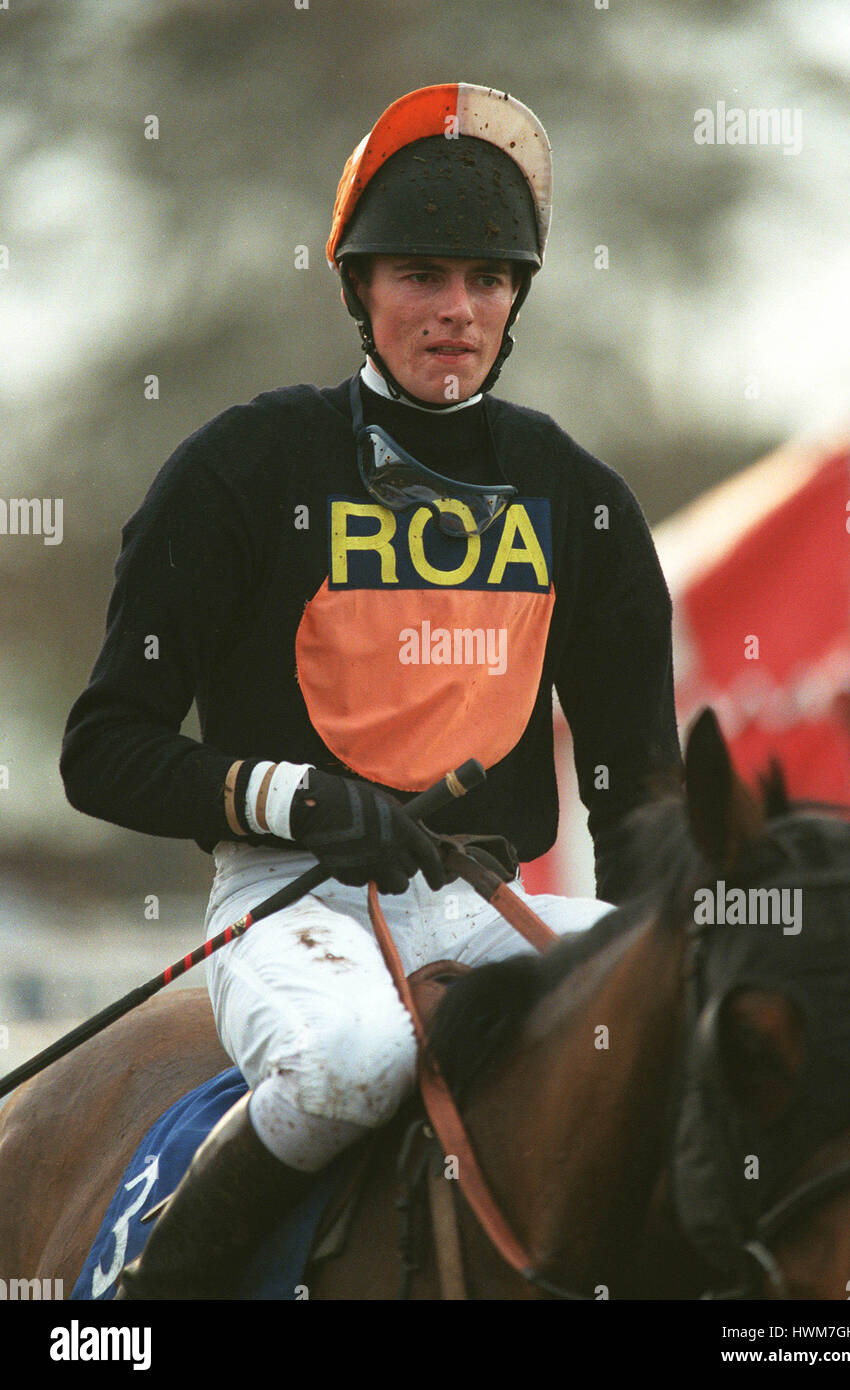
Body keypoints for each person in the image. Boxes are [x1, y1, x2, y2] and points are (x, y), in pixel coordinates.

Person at [60, 83, 681, 1299]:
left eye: (488, 280)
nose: (457, 311)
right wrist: (297, 799)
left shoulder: (585, 500)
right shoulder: (241, 470)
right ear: (357, 289)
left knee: (703, 1033)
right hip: (293, 901)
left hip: (489, 901)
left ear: (518, 301)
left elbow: (640, 795)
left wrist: (661, 965)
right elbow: (101, 749)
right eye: (421, 275)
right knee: (350, 1061)